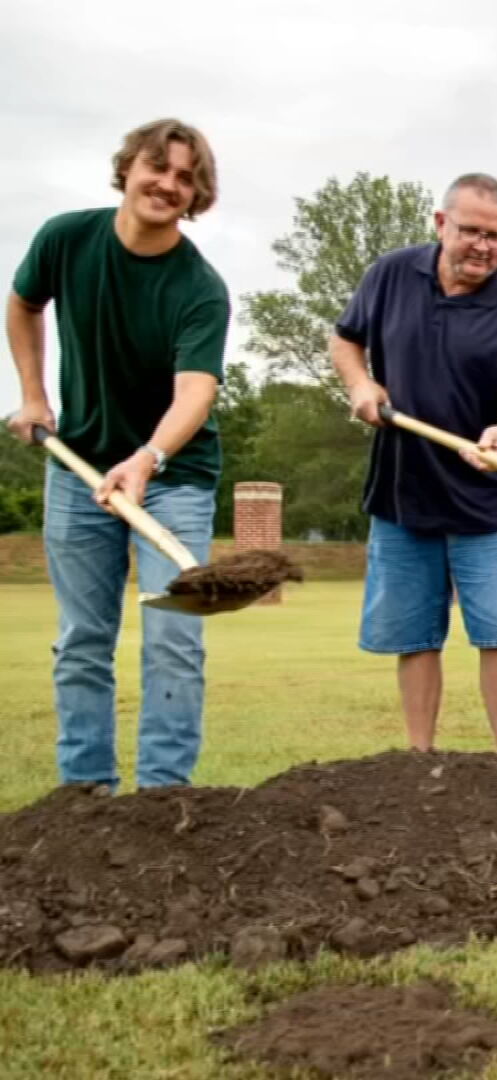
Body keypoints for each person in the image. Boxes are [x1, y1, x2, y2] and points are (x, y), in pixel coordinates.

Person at [5, 118, 230, 794]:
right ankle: (86, 796)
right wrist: (33, 395)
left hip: (172, 478)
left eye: (185, 178)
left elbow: (195, 393)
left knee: (173, 639)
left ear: (196, 197)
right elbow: (22, 306)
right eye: (157, 167)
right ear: (129, 167)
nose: (167, 184)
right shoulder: (65, 239)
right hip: (78, 470)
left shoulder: (200, 287)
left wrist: (148, 459)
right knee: (82, 640)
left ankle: (163, 799)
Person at [330, 172, 497, 755]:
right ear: (440, 224)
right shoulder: (389, 275)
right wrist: (361, 385)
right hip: (404, 494)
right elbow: (345, 339)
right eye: (472, 231)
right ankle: (418, 760)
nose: (484, 246)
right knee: (415, 638)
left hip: (490, 502)